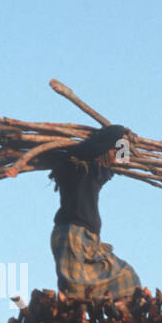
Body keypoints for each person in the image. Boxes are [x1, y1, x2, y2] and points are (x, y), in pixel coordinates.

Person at [47, 124, 142, 300]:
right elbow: (87, 150)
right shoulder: (77, 167)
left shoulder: (100, 172)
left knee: (128, 278)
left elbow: (123, 160)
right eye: (114, 151)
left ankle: (117, 314)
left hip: (90, 239)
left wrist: (125, 138)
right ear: (103, 149)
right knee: (74, 291)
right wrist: (120, 131)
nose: (116, 158)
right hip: (71, 234)